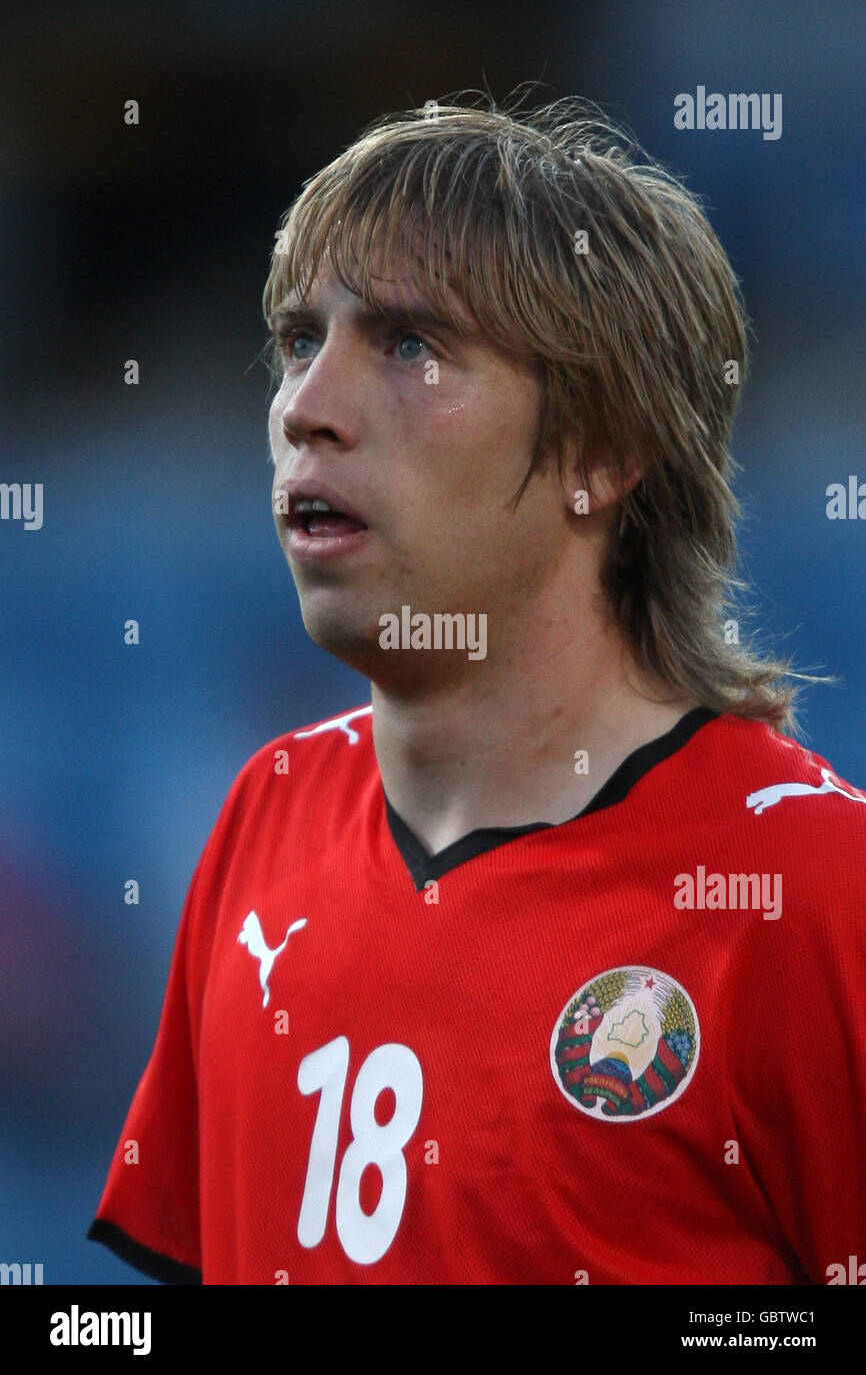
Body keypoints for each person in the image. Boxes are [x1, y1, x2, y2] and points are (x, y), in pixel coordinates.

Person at [88, 93, 866, 1285]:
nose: (306, 408)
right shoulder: (268, 809)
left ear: (603, 453)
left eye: (409, 346)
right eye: (301, 340)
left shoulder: (813, 893)